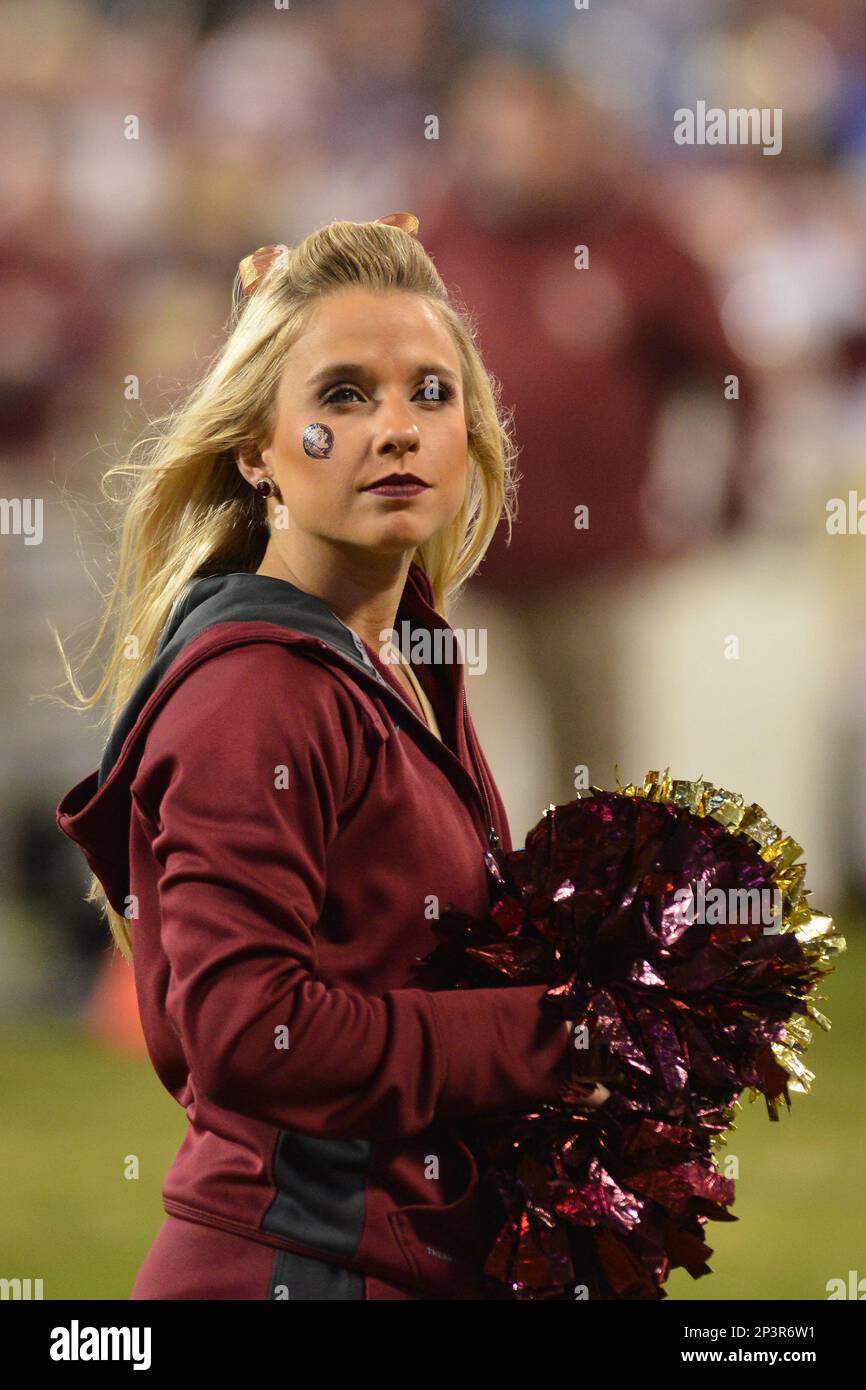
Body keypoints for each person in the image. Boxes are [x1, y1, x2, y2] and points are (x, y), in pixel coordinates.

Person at [55, 213, 610, 1302]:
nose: (395, 429)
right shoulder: (255, 692)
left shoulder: (401, 652)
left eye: (429, 393)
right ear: (256, 450)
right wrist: (565, 1031)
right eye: (343, 397)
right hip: (294, 1268)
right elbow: (253, 1033)